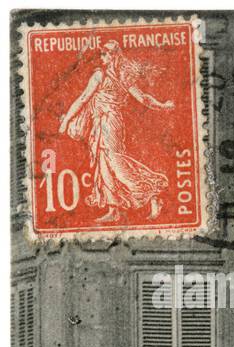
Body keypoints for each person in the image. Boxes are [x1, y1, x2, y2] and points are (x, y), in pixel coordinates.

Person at [57, 41, 174, 224]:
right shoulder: (119, 76)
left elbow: (83, 98)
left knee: (115, 162)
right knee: (103, 163)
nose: (102, 57)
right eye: (102, 54)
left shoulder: (103, 76)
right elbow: (143, 98)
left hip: (109, 122)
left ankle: (152, 192)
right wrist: (162, 105)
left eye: (105, 54)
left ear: (113, 56)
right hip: (101, 122)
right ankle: (113, 209)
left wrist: (65, 121)